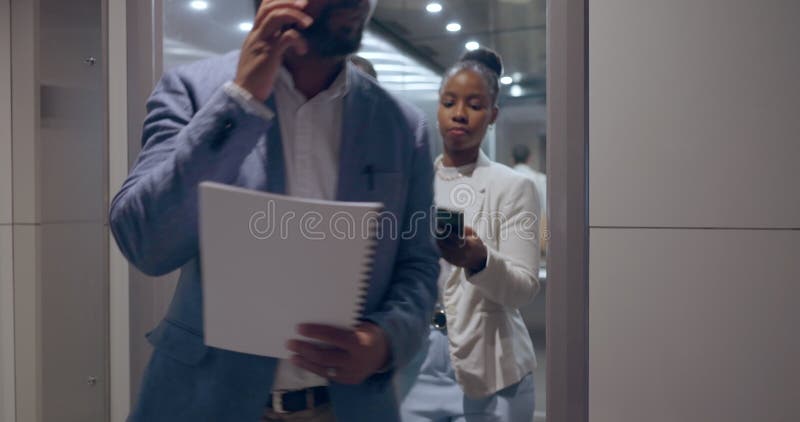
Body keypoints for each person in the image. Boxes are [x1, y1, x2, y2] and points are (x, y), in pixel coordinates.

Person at [109, 0, 439, 421]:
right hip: (206, 401)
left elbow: (419, 265)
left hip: (346, 407)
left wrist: (386, 340)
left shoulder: (401, 126)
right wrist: (239, 102)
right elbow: (146, 243)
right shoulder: (193, 90)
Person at [399, 48, 541, 421]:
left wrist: (479, 261)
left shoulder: (512, 187)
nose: (459, 113)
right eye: (449, 102)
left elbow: (524, 288)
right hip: (416, 367)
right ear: (439, 109)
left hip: (492, 371)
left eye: (475, 105)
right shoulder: (414, 185)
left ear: (492, 115)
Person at [512, 143, 548, 255]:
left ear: (512, 159)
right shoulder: (540, 179)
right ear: (530, 158)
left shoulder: (503, 179)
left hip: (509, 232)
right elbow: (546, 209)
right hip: (534, 231)